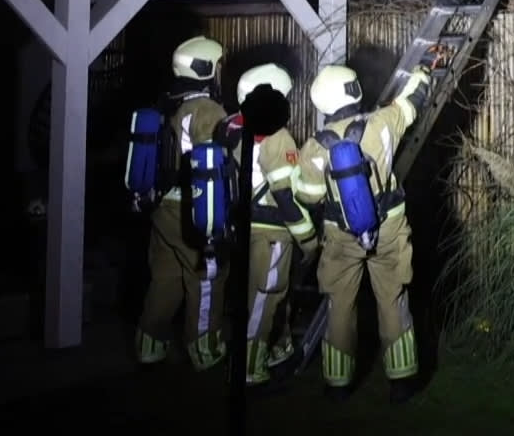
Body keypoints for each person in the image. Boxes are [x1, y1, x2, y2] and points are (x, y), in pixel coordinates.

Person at [291, 62, 433, 403]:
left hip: (340, 235)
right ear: (353, 91)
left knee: (339, 304)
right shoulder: (382, 123)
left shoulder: (314, 146)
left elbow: (307, 195)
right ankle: (401, 381)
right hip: (388, 228)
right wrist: (424, 71)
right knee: (392, 299)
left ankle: (337, 384)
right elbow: (412, 101)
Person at [135, 35, 232, 371]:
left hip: (162, 207)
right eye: (218, 65)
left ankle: (150, 344)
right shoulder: (207, 110)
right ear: (207, 68)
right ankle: (205, 349)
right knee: (207, 278)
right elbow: (217, 163)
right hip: (193, 209)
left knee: (166, 277)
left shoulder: (168, 104)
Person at [222, 62, 318, 388]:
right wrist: (308, 240)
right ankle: (251, 368)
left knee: (258, 296)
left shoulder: (231, 129)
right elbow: (286, 198)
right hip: (273, 234)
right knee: (266, 298)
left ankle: (278, 347)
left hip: (244, 229)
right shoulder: (279, 138)